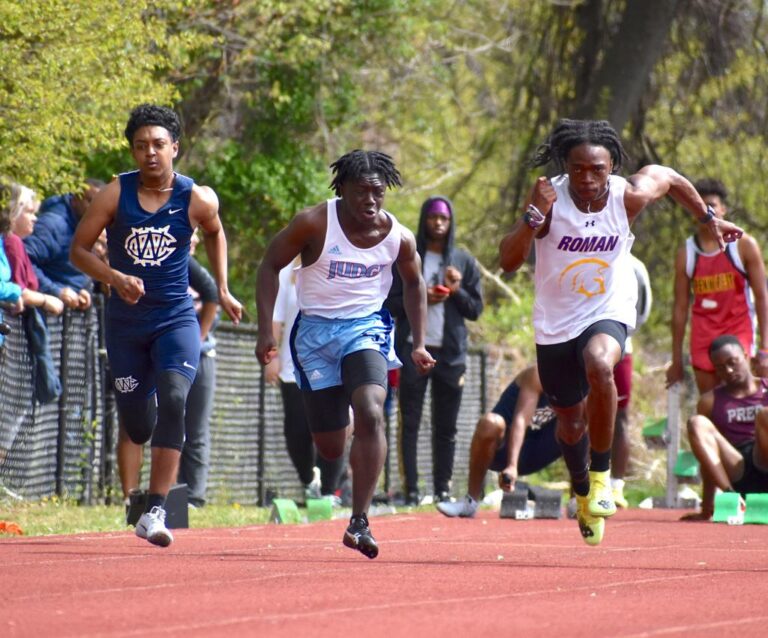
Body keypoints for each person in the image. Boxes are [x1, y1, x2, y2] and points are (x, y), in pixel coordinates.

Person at [498, 118, 743, 546]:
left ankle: (602, 476)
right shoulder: (549, 198)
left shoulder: (626, 195)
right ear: (565, 167)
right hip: (555, 322)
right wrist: (532, 215)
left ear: (612, 167)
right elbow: (509, 261)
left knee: (599, 362)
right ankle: (581, 488)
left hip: (607, 308)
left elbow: (667, 177)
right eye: (578, 170)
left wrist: (708, 219)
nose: (588, 179)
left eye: (598, 169)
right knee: (570, 425)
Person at [70, 103, 242, 547]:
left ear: (175, 148)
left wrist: (222, 288)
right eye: (141, 145)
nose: (150, 153)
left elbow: (215, 232)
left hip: (174, 318)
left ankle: (156, 510)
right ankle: (142, 486)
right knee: (138, 426)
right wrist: (114, 277)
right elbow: (79, 251)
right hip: (126, 324)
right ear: (132, 150)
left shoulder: (196, 197)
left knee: (174, 397)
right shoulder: (115, 194)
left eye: (159, 145)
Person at [256, 149, 435, 559]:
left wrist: (419, 343)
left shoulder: (399, 237)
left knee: (372, 410)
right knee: (332, 447)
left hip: (365, 327)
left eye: (378, 193)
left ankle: (359, 521)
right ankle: (344, 418)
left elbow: (414, 285)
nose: (370, 201)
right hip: (315, 333)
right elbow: (269, 265)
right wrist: (267, 329)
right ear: (342, 190)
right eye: (361, 193)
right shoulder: (314, 222)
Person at [385, 196, 483, 505]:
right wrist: (421, 295)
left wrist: (456, 290)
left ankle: (442, 488)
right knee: (409, 421)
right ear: (424, 221)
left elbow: (475, 309)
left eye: (444, 218)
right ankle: (412, 489)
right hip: (414, 350)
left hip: (450, 354)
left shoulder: (463, 261)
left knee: (447, 425)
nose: (438, 223)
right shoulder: (409, 256)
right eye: (432, 217)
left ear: (451, 222)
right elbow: (390, 303)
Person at [666, 178, 768, 395]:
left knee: (742, 396)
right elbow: (680, 308)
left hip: (738, 330)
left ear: (723, 209)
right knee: (710, 402)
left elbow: (762, 297)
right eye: (701, 207)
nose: (708, 212)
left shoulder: (743, 245)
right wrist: (676, 360)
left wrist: (765, 348)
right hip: (703, 335)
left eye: (711, 205)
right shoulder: (687, 253)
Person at [264, 257, 346, 502]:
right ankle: (310, 481)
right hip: (294, 366)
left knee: (332, 426)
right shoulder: (286, 272)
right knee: (296, 430)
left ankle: (330, 490)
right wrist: (272, 356)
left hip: (332, 362)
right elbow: (276, 318)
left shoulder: (338, 265)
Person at [436, 365, 561, 517]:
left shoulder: (583, 382)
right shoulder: (538, 374)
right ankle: (470, 502)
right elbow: (520, 420)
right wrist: (512, 466)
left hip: (540, 451)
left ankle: (582, 501)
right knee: (490, 423)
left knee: (581, 425)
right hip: (503, 450)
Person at [683, 335, 768, 521]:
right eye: (720, 367)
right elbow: (707, 456)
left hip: (764, 457)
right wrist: (707, 508)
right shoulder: (709, 401)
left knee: (764, 415)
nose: (728, 370)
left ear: (746, 356)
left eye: (733, 362)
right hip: (737, 466)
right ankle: (732, 498)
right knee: (697, 422)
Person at [24, 178, 104, 311]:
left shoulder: (84, 227)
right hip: (40, 314)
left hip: (69, 321)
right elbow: (23, 262)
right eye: (90, 201)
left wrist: (82, 290)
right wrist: (55, 291)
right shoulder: (53, 225)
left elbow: (67, 272)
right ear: (75, 198)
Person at [611, 253, 652, 508]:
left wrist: (623, 332)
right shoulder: (587, 249)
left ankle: (616, 484)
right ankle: (586, 482)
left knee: (620, 416)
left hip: (621, 345)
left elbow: (644, 308)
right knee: (583, 412)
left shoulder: (635, 265)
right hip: (581, 344)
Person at [1, 183, 65, 317]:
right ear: (13, 212)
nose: (35, 218)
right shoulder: (12, 241)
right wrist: (45, 300)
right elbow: (22, 288)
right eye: (29, 212)